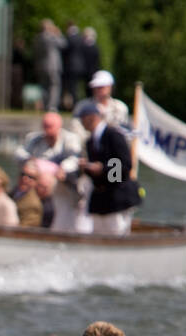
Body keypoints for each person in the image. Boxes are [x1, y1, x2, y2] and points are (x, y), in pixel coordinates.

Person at [77, 101, 141, 236]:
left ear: (91, 117)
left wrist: (103, 169)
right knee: (98, 234)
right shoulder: (90, 142)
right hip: (100, 199)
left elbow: (125, 166)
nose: (81, 123)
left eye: (82, 119)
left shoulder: (113, 135)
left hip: (116, 197)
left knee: (116, 233)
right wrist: (87, 168)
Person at [14, 112, 83, 229]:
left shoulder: (70, 139)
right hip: (38, 188)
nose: (48, 132)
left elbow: (75, 159)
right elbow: (18, 153)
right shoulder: (34, 139)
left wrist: (63, 168)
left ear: (59, 127)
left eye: (51, 127)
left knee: (61, 220)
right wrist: (30, 160)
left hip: (63, 188)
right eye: (46, 127)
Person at [70, 69, 130, 136]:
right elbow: (76, 127)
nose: (98, 90)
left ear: (110, 87)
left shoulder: (120, 107)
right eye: (96, 87)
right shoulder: (82, 106)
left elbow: (123, 130)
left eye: (102, 87)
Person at [32, 19, 64, 113]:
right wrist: (58, 33)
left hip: (41, 66)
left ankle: (46, 105)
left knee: (44, 87)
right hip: (52, 66)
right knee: (54, 86)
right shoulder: (50, 37)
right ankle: (52, 106)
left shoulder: (37, 38)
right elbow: (63, 43)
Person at [11, 160, 46, 228]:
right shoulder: (12, 192)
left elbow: (25, 230)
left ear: (36, 181)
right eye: (23, 174)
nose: (25, 179)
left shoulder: (33, 205)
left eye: (30, 177)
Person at [62, 22, 87, 107]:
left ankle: (75, 104)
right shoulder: (81, 39)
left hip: (71, 67)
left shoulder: (69, 39)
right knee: (78, 87)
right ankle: (77, 103)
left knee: (72, 88)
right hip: (81, 66)